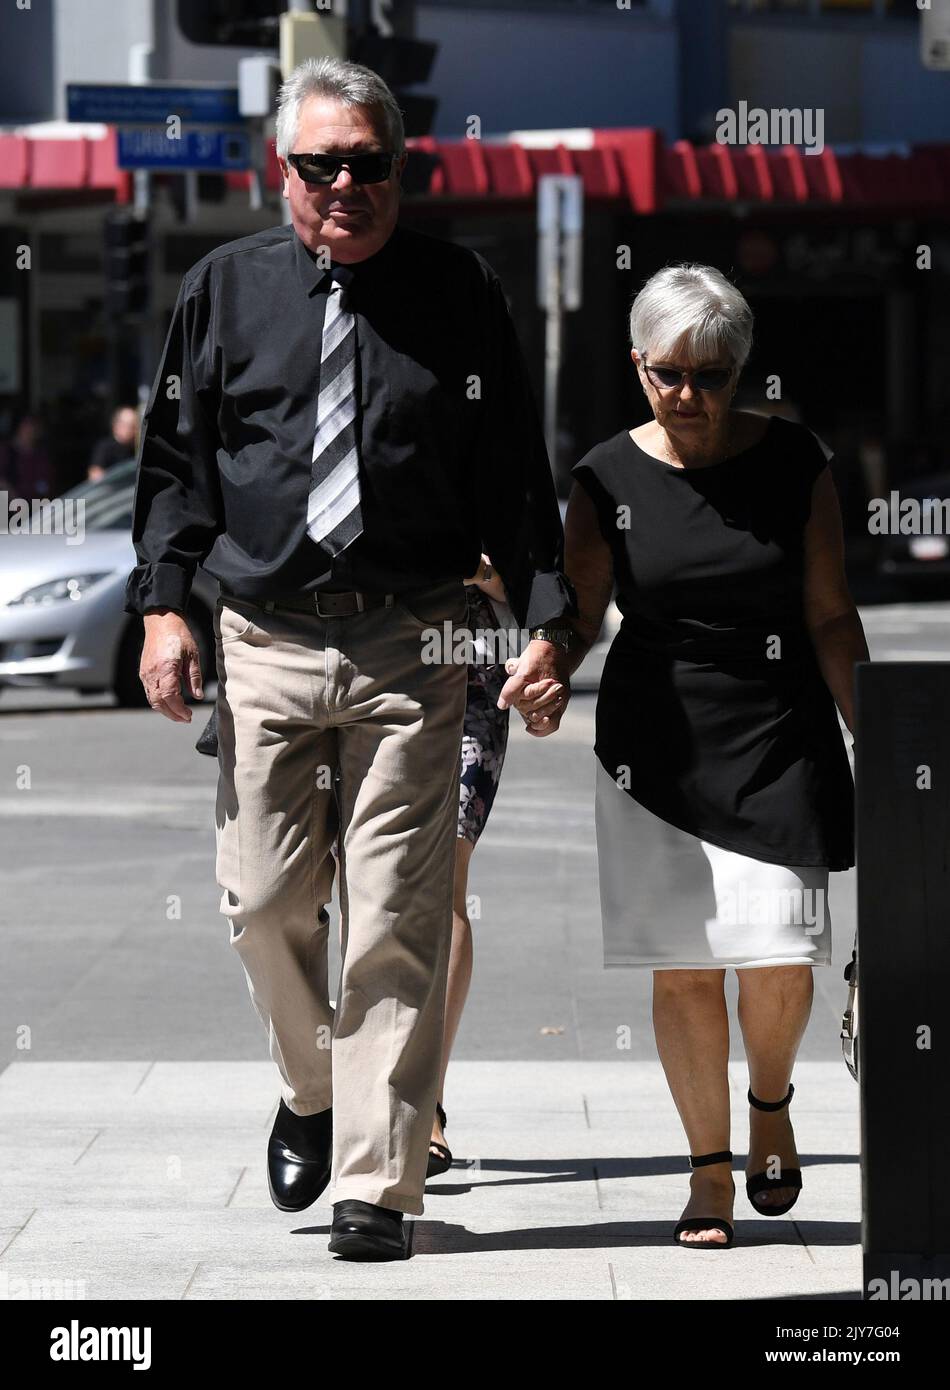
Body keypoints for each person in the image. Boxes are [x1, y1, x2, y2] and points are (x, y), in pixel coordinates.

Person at [125, 55, 575, 1262]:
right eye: (318, 164)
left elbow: (510, 479)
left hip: (413, 639)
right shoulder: (221, 292)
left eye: (366, 164)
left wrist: (546, 622)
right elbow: (174, 466)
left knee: (397, 914)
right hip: (264, 636)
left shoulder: (459, 294)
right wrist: (165, 611)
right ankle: (312, 1088)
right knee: (264, 900)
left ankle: (378, 1183)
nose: (343, 184)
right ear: (281, 174)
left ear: (398, 170)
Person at [562, 263, 867, 1249]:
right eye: (666, 374)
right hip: (654, 744)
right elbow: (576, 615)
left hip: (778, 731)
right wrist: (537, 660)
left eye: (710, 374)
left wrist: (877, 727)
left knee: (779, 946)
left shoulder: (794, 463)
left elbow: (827, 611)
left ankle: (768, 1099)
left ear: (739, 370)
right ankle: (706, 1170)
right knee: (683, 965)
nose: (687, 395)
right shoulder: (605, 476)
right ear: (635, 366)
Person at [427, 551, 521, 1176]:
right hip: (364, 658)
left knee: (442, 884)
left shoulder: (497, 453)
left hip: (470, 672)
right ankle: (349, 1079)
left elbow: (544, 571)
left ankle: (422, 1101)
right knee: (365, 885)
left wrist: (484, 572)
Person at [87, 405, 139, 481]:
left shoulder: (135, 449)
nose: (135, 431)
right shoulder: (104, 447)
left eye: (135, 427)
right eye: (132, 426)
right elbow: (95, 475)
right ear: (117, 425)